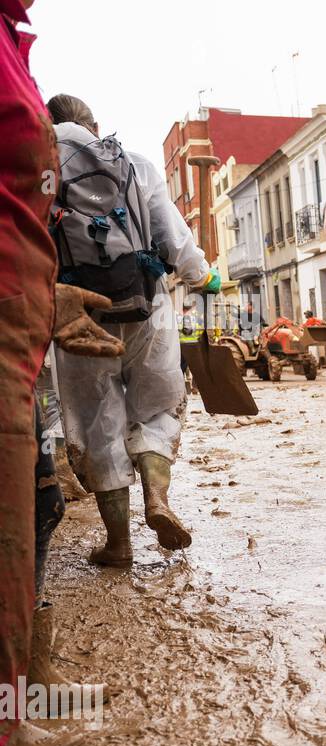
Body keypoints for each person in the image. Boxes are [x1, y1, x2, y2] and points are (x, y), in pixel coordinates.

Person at [1, 0, 119, 746]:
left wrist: (47, 298)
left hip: (30, 322)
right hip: (12, 329)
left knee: (20, 549)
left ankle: (10, 743)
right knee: (21, 535)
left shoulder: (9, 39)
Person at [46, 94, 219, 569]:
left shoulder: (42, 177)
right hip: (147, 302)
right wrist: (204, 276)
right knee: (158, 407)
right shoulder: (134, 164)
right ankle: (158, 502)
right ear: (95, 126)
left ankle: (119, 545)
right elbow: (173, 238)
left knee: (99, 425)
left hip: (78, 315)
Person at [178, 297, 200, 394]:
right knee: (195, 368)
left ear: (182, 309)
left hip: (182, 347)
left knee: (180, 369)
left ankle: (180, 389)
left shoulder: (178, 319)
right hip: (193, 346)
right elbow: (199, 332)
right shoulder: (195, 319)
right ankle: (195, 387)